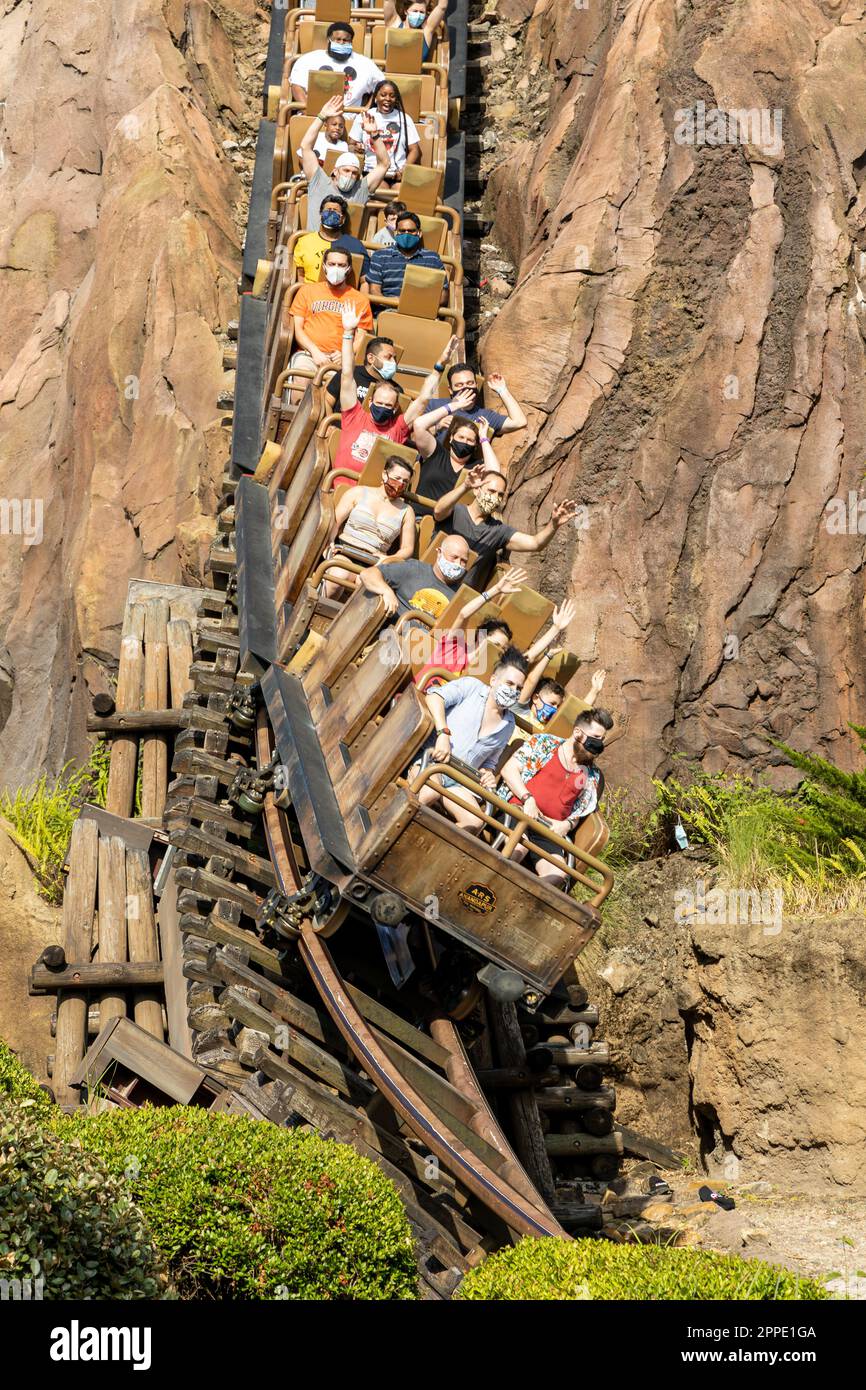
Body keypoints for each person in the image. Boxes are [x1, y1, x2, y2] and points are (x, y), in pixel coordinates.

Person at [413, 648, 530, 833]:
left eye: (519, 689)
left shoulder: (509, 725)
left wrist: (488, 773)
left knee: (475, 821)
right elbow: (434, 698)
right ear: (494, 680)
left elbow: (490, 761)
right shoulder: (472, 687)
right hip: (431, 760)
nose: (513, 691)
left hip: (459, 780)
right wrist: (443, 732)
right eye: (509, 683)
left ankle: (426, 849)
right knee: (429, 792)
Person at [496, 708, 614, 883]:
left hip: (548, 830)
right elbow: (509, 769)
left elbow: (580, 810)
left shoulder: (592, 775)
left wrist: (566, 825)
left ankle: (520, 903)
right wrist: (528, 799)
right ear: (577, 733)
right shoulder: (544, 744)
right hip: (518, 810)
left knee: (558, 874)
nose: (598, 745)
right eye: (594, 739)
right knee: (518, 847)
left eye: (601, 740)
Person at [432, 455, 585, 590]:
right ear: (477, 490)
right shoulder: (456, 511)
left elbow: (535, 544)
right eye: (491, 491)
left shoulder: (499, 530)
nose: (495, 498)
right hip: (433, 579)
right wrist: (465, 486)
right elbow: (438, 511)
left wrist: (554, 524)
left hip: (459, 593)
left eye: (500, 495)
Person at [331, 303, 441, 483]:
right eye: (380, 403)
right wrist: (348, 333)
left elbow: (423, 400)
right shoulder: (355, 416)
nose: (383, 408)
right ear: (371, 402)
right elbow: (346, 373)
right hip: (345, 487)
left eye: (388, 405)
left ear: (396, 407)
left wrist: (439, 367)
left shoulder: (397, 427)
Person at [414, 566, 527, 687]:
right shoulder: (455, 647)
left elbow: (528, 658)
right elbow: (463, 615)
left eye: (501, 649)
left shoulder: (486, 673)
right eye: (495, 645)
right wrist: (496, 590)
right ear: (482, 637)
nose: (496, 651)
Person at [322, 454, 416, 598]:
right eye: (397, 478)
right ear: (385, 474)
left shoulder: (406, 511)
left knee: (366, 589)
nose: (400, 483)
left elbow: (407, 548)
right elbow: (336, 521)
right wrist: (330, 541)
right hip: (346, 550)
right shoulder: (358, 492)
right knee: (339, 576)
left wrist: (389, 559)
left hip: (375, 561)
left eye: (405, 481)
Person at [299, 97, 391, 232]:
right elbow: (305, 146)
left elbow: (384, 164)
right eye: (346, 170)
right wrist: (321, 116)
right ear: (335, 171)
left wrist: (374, 135)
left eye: (354, 173)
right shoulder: (319, 181)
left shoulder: (361, 190)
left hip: (343, 248)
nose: (350, 175)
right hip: (314, 244)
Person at [289, 248, 372, 388]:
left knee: (339, 388)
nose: (336, 268)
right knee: (301, 378)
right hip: (308, 354)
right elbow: (298, 329)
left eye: (341, 265)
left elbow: (361, 337)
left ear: (349, 269)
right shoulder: (307, 291)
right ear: (324, 267)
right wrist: (315, 352)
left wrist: (346, 354)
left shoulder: (360, 300)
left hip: (340, 360)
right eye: (332, 264)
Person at [359, 533, 471, 622]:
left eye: (463, 561)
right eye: (454, 557)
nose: (458, 564)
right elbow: (368, 574)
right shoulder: (414, 569)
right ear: (439, 553)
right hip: (393, 635)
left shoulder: (460, 597)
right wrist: (386, 591)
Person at [290, 22, 384, 108]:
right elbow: (297, 86)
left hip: (350, 118)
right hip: (316, 116)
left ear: (351, 42)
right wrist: (308, 111)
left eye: (346, 40)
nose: (342, 43)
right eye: (338, 39)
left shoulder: (365, 64)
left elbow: (381, 86)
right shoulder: (309, 59)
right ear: (329, 40)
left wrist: (366, 109)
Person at [423, 361, 527, 438]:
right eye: (459, 385)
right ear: (450, 390)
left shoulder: (486, 416)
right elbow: (412, 436)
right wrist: (437, 427)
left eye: (470, 383)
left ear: (476, 385)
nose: (466, 388)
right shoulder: (434, 405)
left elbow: (520, 422)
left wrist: (502, 390)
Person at [364, 209, 447, 304]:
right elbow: (374, 291)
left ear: (419, 233)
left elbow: (443, 294)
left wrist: (418, 305)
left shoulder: (433, 259)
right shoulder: (380, 256)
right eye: (402, 231)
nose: (406, 234)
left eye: (411, 231)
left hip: (422, 314)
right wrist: (393, 302)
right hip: (388, 311)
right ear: (395, 233)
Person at [349, 81, 421, 182]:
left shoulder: (405, 118)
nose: (387, 99)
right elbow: (351, 145)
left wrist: (404, 170)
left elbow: (415, 150)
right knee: (383, 191)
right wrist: (356, 148)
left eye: (392, 96)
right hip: (372, 172)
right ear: (375, 97)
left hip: (398, 173)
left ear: (396, 99)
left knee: (400, 194)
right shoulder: (364, 117)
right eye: (383, 95)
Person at [293, 192, 370, 284]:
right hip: (311, 293)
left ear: (343, 218)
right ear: (321, 214)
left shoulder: (356, 245)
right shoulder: (304, 242)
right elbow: (300, 276)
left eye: (335, 211)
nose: (331, 213)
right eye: (328, 210)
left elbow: (364, 281)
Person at [412, 413, 481, 511]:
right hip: (417, 514)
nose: (465, 442)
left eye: (470, 440)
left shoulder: (476, 467)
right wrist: (453, 406)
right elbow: (419, 424)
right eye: (461, 437)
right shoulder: (437, 452)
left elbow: (495, 471)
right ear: (451, 438)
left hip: (449, 524)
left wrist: (484, 439)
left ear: (476, 445)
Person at [326, 334, 406, 410]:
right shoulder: (349, 375)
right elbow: (327, 402)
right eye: (388, 357)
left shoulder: (396, 389)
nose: (393, 362)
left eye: (394, 359)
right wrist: (329, 424)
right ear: (371, 358)